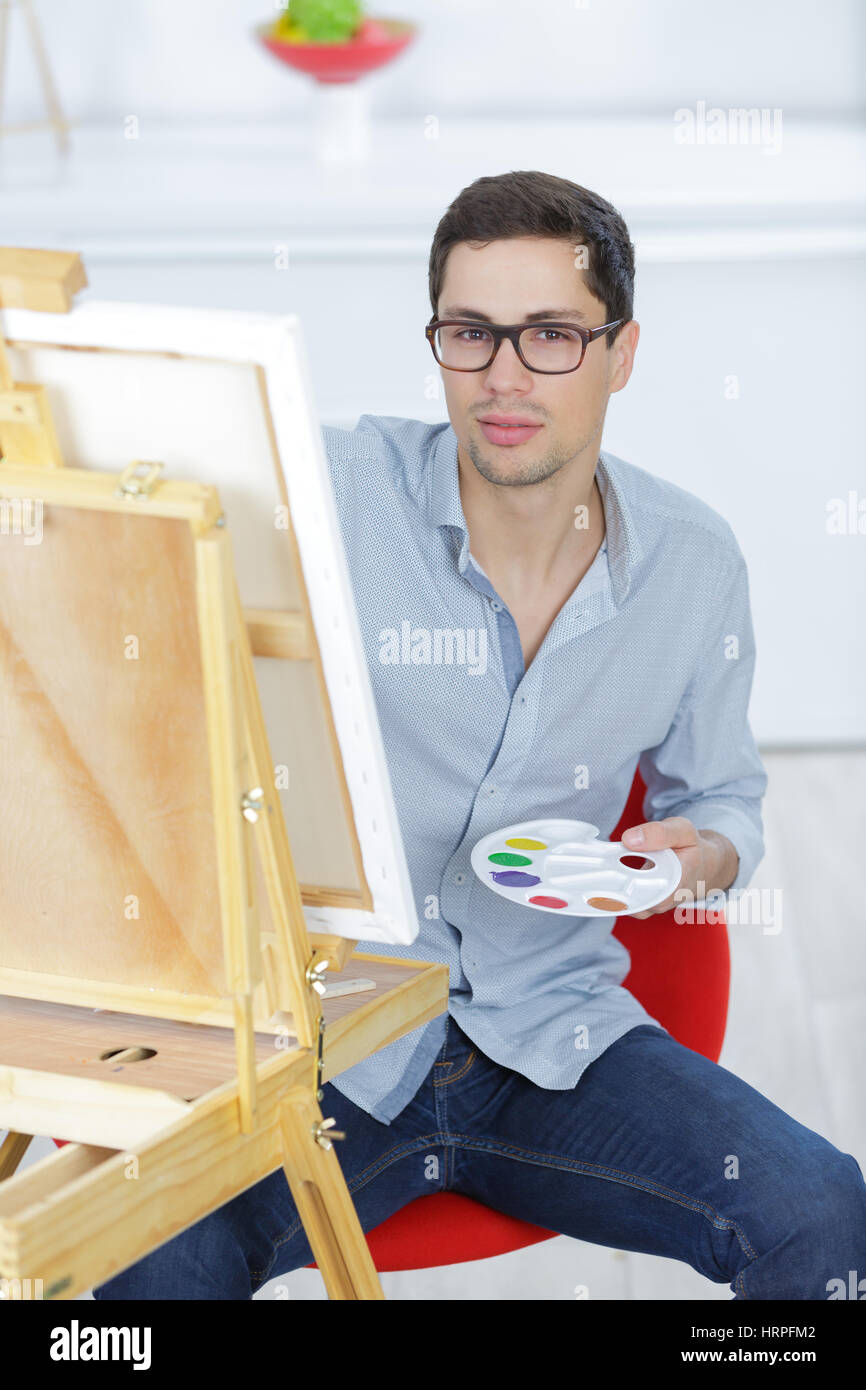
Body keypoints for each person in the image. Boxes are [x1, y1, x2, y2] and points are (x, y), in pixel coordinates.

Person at [94, 170, 866, 1300]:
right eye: (471, 333)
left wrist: (691, 858)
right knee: (140, 1274)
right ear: (439, 342)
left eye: (550, 334)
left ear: (621, 350)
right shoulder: (329, 487)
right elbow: (141, 453)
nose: (504, 376)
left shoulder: (695, 565)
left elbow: (725, 802)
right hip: (322, 1049)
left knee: (818, 1215)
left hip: (551, 1040)